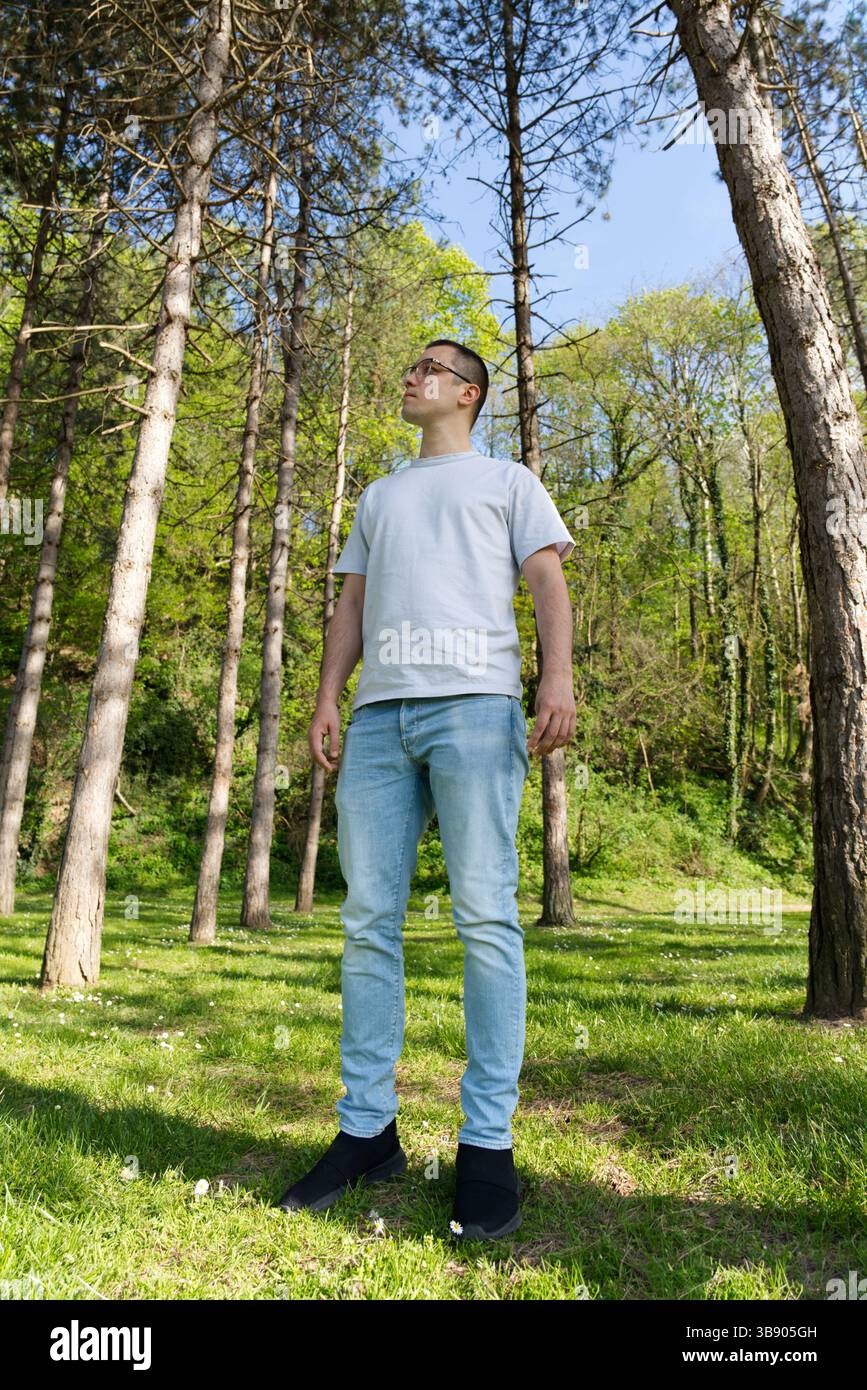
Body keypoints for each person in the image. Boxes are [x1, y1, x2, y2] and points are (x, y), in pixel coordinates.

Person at [276, 339, 576, 1240]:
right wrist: (328, 697)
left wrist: (554, 679)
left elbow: (546, 582)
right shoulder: (378, 495)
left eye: (428, 368)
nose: (409, 376)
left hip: (476, 713)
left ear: (468, 393)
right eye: (405, 365)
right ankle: (365, 1130)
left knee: (484, 917)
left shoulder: (508, 481)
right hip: (378, 723)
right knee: (368, 922)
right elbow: (352, 604)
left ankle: (487, 1144)